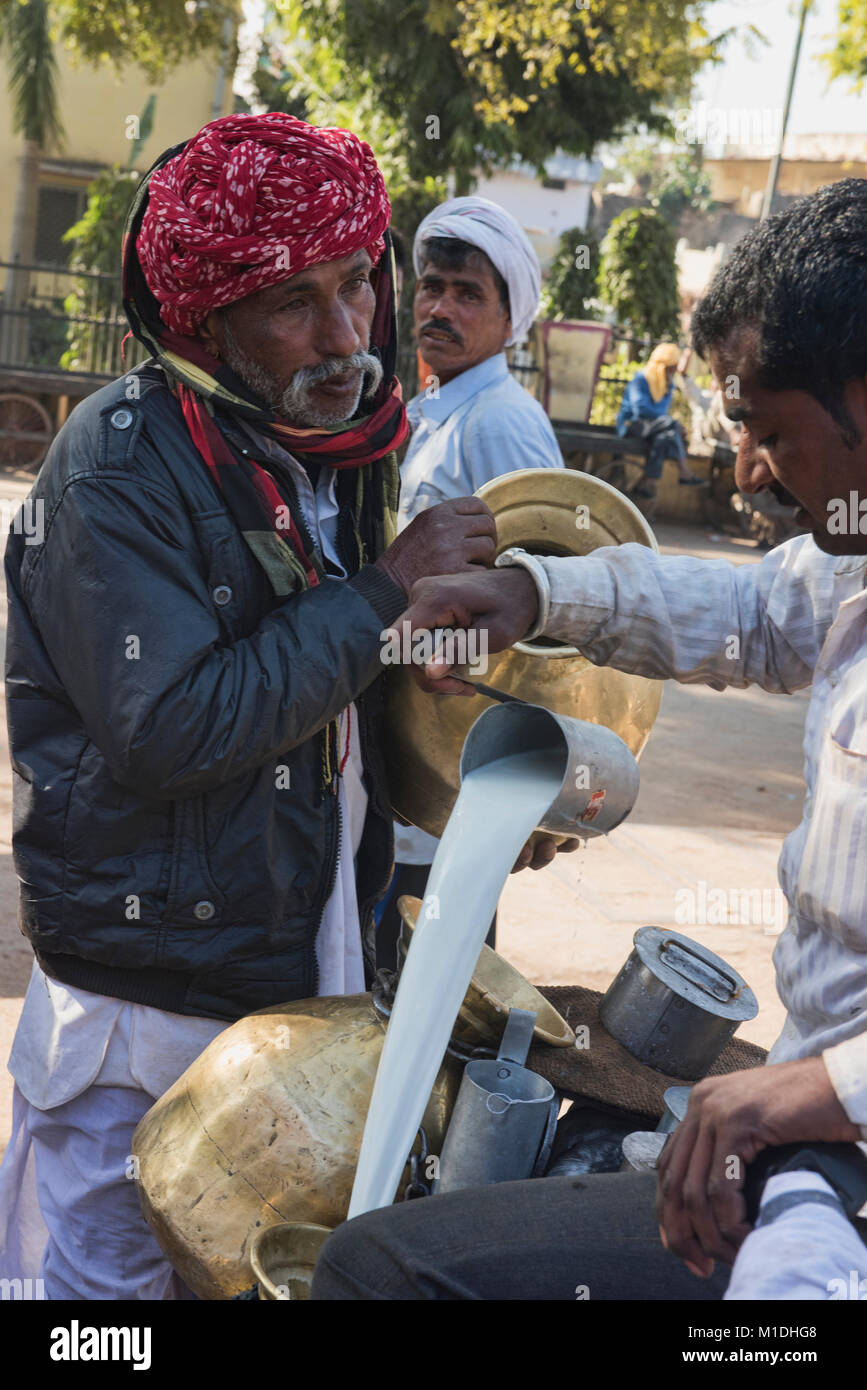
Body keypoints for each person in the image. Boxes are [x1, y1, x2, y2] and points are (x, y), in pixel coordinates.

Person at [311, 177, 867, 1300]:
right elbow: (753, 613)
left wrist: (807, 1095)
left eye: (773, 431)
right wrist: (535, 592)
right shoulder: (855, 557)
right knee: (381, 1262)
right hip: (805, 1150)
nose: (752, 470)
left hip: (831, 1165)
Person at [0, 111, 522, 1301]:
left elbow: (320, 670)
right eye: (294, 303)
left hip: (287, 958)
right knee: (104, 1301)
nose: (345, 334)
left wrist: (444, 721)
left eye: (356, 284)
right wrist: (389, 592)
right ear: (204, 323)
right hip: (149, 996)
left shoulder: (326, 436)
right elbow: (174, 723)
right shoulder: (117, 469)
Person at [381, 196, 568, 962]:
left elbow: (554, 602)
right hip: (410, 759)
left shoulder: (500, 420)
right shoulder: (430, 409)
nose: (440, 307)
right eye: (431, 286)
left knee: (433, 998)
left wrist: (534, 782)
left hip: (454, 764)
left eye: (468, 294)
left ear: (506, 318)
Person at [616, 342, 707, 499]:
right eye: (671, 367)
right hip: (633, 424)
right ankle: (682, 472)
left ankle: (646, 481)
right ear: (662, 366)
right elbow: (640, 410)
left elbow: (660, 413)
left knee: (665, 436)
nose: (673, 371)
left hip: (655, 428)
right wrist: (669, 421)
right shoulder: (641, 379)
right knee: (671, 425)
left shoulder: (668, 384)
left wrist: (666, 421)